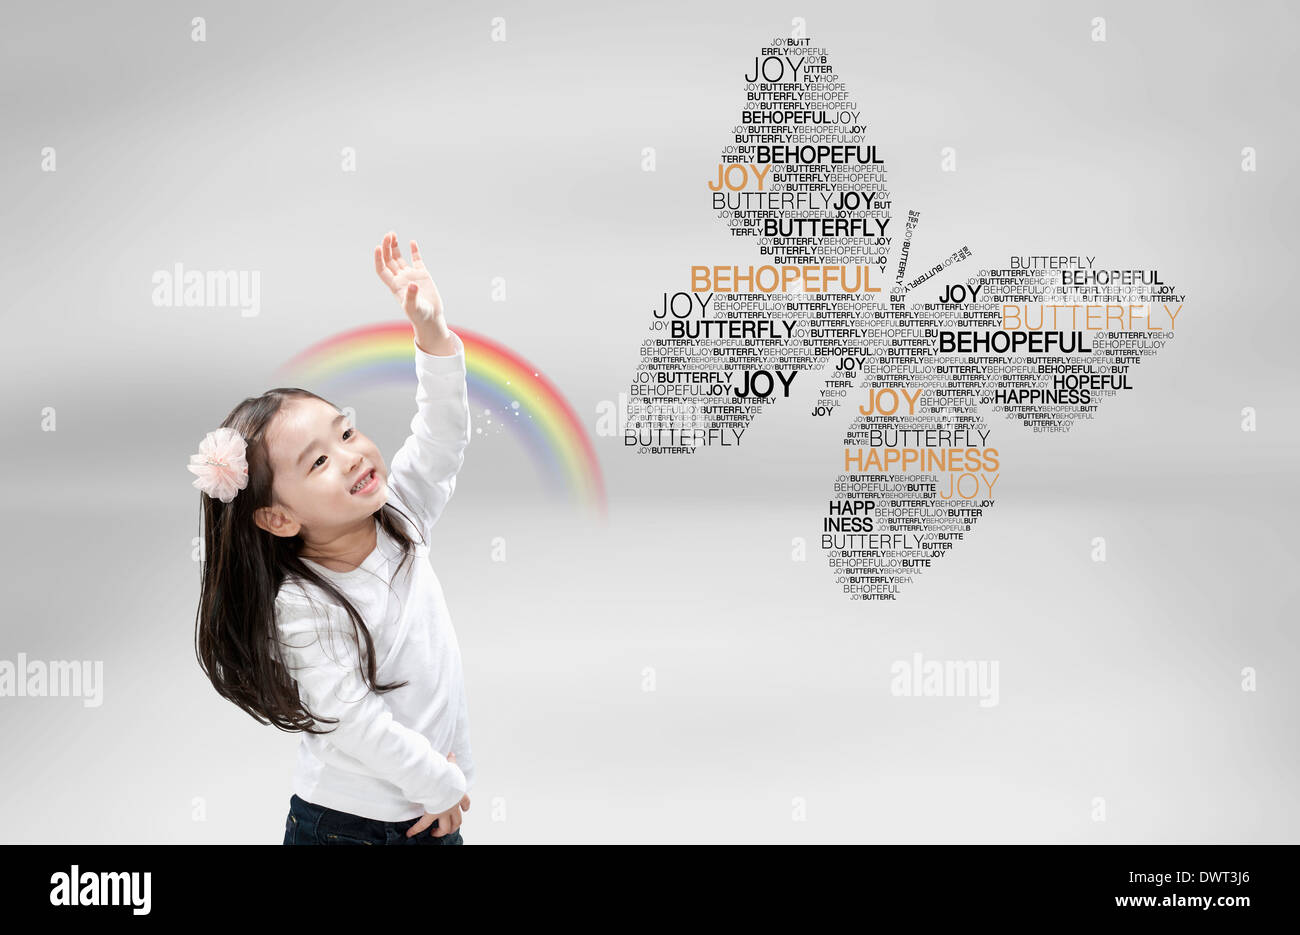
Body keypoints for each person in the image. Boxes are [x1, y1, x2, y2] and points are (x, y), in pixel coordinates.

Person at [190, 231, 474, 845]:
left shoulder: (401, 517)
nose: (350, 457)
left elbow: (443, 438)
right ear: (278, 518)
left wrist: (433, 335)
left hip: (430, 805)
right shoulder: (303, 605)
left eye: (345, 433)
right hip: (349, 827)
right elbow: (354, 721)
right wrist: (441, 784)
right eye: (317, 463)